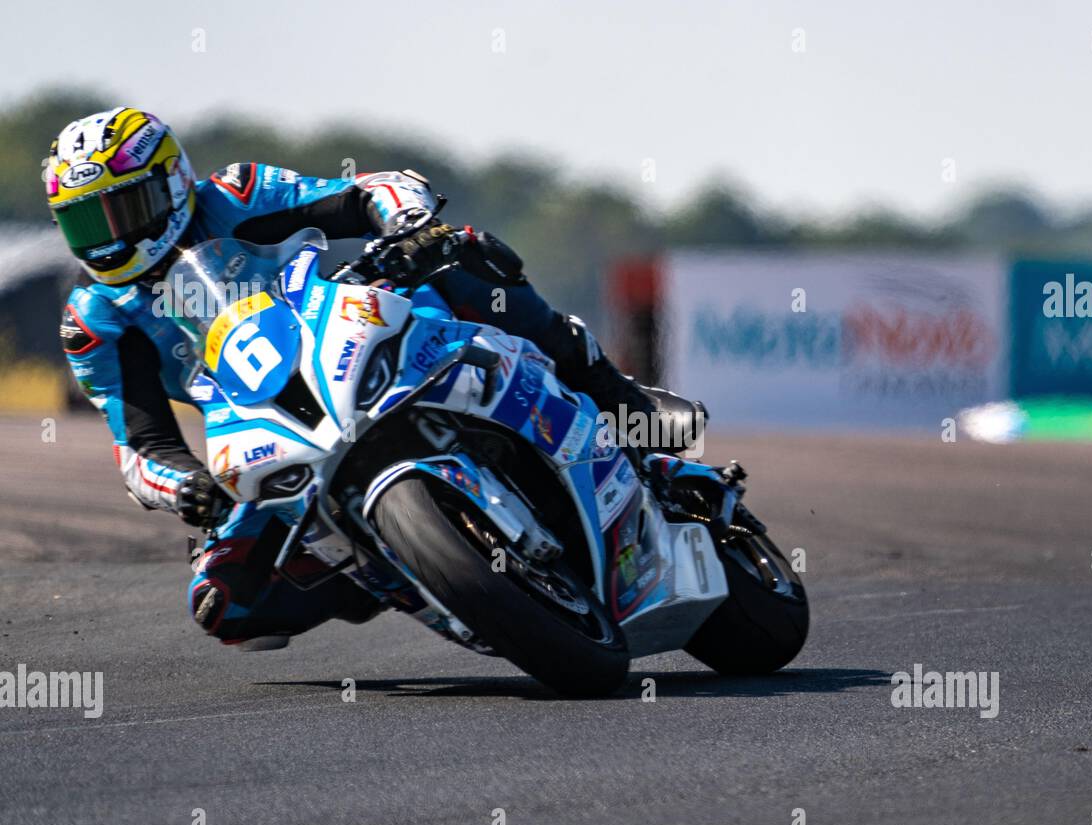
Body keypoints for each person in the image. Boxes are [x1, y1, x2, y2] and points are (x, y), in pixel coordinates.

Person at [45, 107, 705, 647]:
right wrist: (184, 486)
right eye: (84, 221)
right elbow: (138, 447)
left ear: (170, 183)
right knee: (225, 604)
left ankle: (618, 401)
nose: (107, 237)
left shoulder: (235, 195)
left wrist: (409, 225)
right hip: (259, 417)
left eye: (121, 210)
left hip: (345, 322)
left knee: (458, 265)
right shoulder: (94, 321)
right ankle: (396, 561)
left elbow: (364, 193)